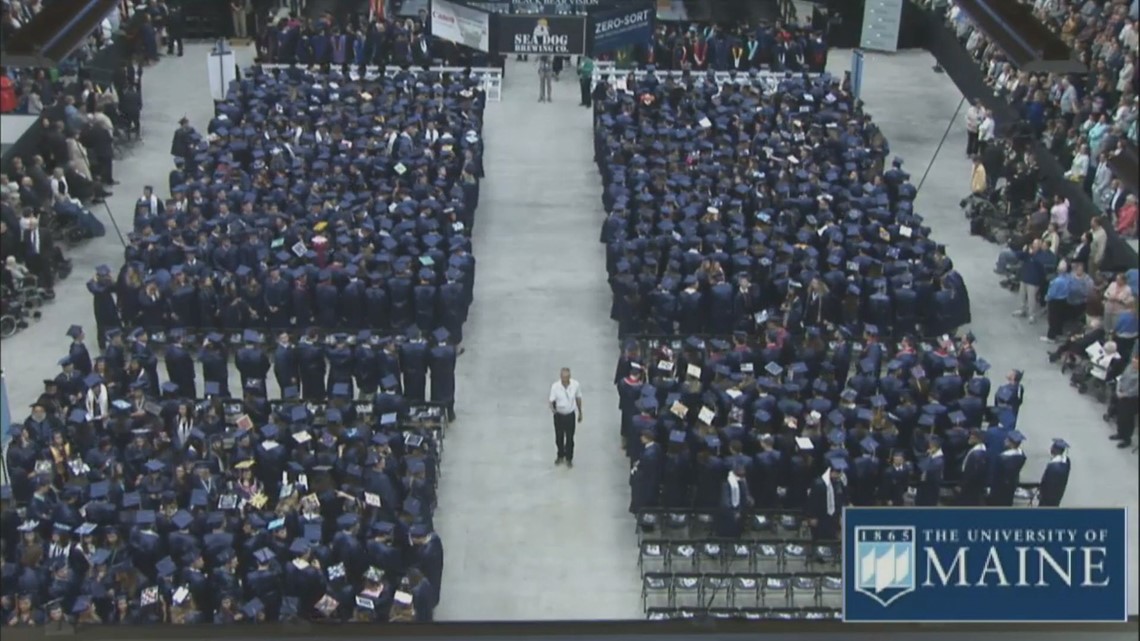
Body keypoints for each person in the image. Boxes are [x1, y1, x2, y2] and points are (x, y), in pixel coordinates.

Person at [548, 367, 582, 467]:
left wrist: (580, 412)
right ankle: (560, 455)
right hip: (559, 415)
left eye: (566, 377)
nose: (564, 380)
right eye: (563, 377)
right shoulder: (555, 386)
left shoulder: (575, 385)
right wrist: (553, 410)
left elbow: (578, 397)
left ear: (569, 377)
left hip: (570, 414)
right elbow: (551, 400)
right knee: (559, 437)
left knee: (570, 437)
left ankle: (569, 457)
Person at [1110, 354, 1138, 448]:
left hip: (1132, 399)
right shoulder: (1129, 367)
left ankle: (1127, 439)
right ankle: (1120, 433)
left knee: (1127, 418)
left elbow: (1136, 389)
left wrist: (1125, 394)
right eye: (1133, 360)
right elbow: (1121, 379)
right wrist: (1118, 390)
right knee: (1119, 415)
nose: (1133, 362)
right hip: (1121, 393)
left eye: (1136, 362)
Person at [1037, 438, 1071, 507]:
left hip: (1048, 497)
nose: (1050, 448)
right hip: (1058, 494)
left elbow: (1047, 483)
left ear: (1055, 450)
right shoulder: (1067, 461)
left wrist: (1041, 493)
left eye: (1052, 447)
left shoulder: (1053, 466)